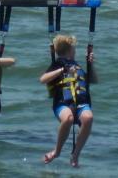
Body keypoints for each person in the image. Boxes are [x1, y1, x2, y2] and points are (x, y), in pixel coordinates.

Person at [40, 34, 97, 166]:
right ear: (70, 50)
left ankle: (75, 155)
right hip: (63, 104)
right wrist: (62, 70)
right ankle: (57, 151)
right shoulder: (57, 64)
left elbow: (92, 80)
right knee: (68, 119)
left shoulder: (78, 66)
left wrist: (90, 64)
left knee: (88, 118)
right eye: (74, 48)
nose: (75, 50)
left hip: (81, 104)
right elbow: (43, 79)